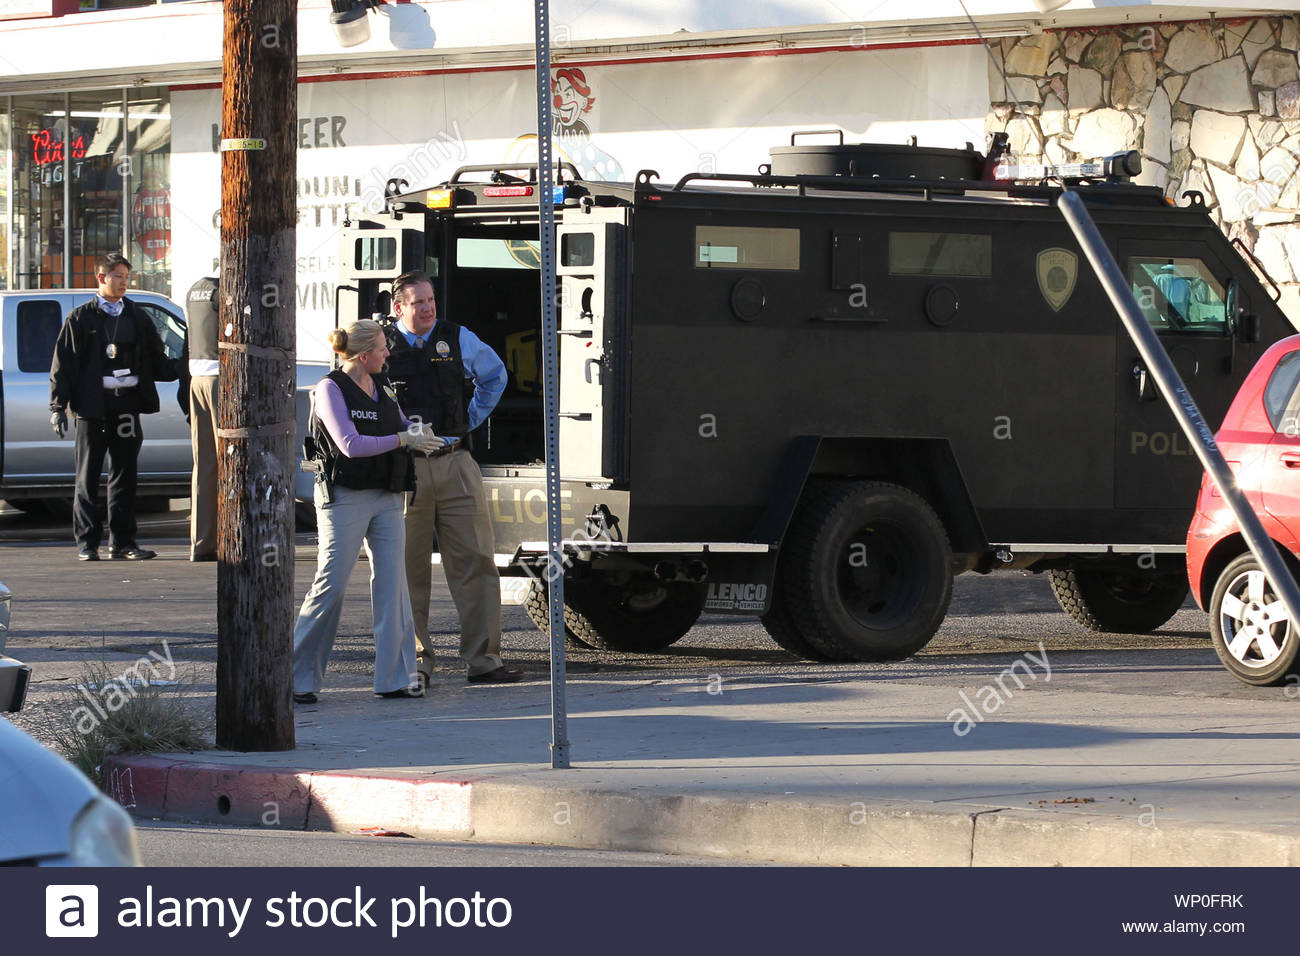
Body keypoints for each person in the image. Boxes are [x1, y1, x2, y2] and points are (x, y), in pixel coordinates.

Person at [383, 270, 523, 686]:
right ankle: (416, 662)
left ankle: (484, 660)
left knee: (477, 562)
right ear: (398, 308)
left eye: (430, 300)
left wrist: (469, 421)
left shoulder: (457, 337)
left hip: (456, 460)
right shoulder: (379, 344)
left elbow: (495, 376)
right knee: (406, 569)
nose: (427, 308)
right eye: (417, 302)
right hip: (404, 467)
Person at [292, 319, 442, 703]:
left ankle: (396, 677)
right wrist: (401, 439)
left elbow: (402, 424)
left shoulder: (384, 385)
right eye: (382, 348)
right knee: (332, 583)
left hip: (388, 494)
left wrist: (419, 433)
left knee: (393, 584)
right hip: (345, 496)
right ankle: (297, 677)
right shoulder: (330, 388)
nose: (388, 353)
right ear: (364, 354)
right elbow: (350, 444)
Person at [49, 253, 181, 561]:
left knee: (125, 474)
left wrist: (185, 364)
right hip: (93, 406)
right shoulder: (81, 318)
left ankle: (123, 542)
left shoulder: (135, 315)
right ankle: (87, 543)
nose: (124, 282)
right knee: (87, 475)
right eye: (118, 277)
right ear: (102, 278)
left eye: (126, 277)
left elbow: (156, 357)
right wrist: (58, 406)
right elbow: (63, 365)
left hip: (127, 404)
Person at [183, 273, 220, 562]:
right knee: (231, 461)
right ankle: (234, 538)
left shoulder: (198, 289)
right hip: (223, 379)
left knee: (204, 464)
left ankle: (202, 541)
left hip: (197, 377)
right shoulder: (227, 290)